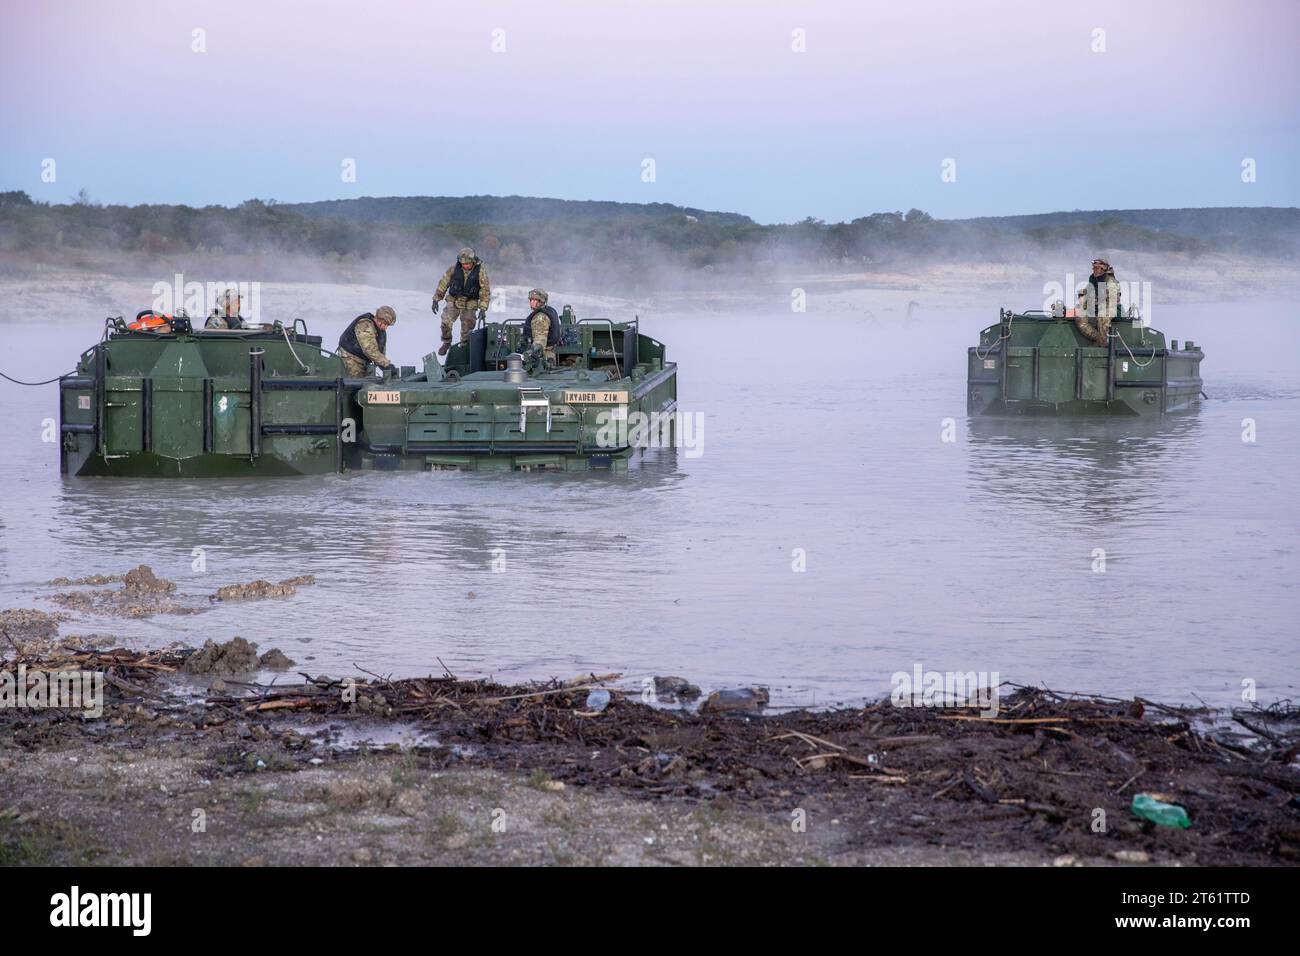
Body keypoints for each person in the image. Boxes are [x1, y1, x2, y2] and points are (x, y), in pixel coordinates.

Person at [432, 247, 491, 355]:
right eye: (463, 263)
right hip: (454, 299)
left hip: (470, 301)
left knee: (467, 324)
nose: (465, 265)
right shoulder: (453, 269)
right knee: (445, 321)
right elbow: (443, 284)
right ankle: (446, 342)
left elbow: (485, 291)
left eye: (468, 263)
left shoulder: (480, 272)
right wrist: (436, 299)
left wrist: (483, 308)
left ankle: (465, 346)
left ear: (473, 262)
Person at [337, 306, 397, 377]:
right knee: (355, 384)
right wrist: (385, 364)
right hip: (351, 359)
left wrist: (384, 364)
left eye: (388, 325)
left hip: (364, 362)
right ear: (379, 319)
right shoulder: (365, 324)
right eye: (385, 324)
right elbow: (369, 349)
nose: (385, 328)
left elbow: (380, 351)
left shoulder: (380, 331)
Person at [1074, 258, 1121, 347]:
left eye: (1096, 268)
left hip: (1108, 308)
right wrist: (1083, 295)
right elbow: (1089, 290)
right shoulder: (1093, 279)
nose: (1093, 270)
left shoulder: (1110, 281)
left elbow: (1114, 299)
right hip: (1095, 307)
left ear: (1103, 269)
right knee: (1080, 318)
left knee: (1102, 316)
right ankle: (1099, 338)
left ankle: (1104, 344)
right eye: (1093, 268)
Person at [523, 288, 561, 364]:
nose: (532, 303)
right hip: (548, 356)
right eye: (531, 300)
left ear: (541, 301)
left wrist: (532, 358)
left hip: (542, 359)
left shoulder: (540, 318)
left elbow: (539, 342)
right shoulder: (549, 311)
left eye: (535, 300)